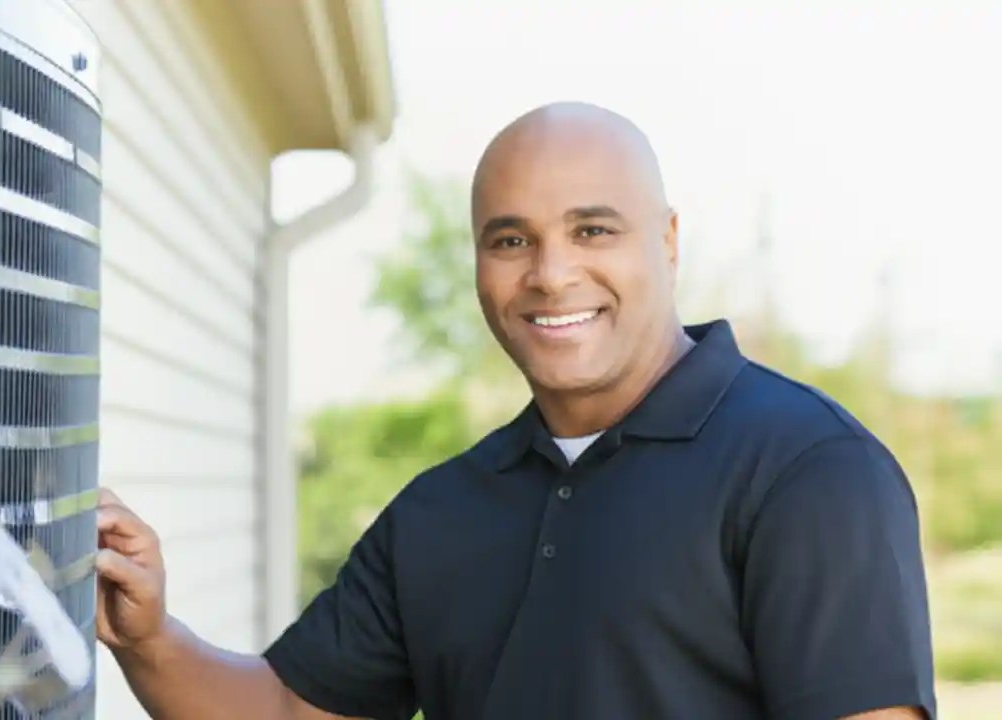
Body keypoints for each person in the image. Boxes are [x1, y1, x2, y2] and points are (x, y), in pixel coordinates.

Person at [94, 102, 937, 719]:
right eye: (511, 239)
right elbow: (284, 710)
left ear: (668, 241)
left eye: (593, 230)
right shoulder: (442, 510)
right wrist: (148, 636)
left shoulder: (806, 472)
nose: (550, 272)